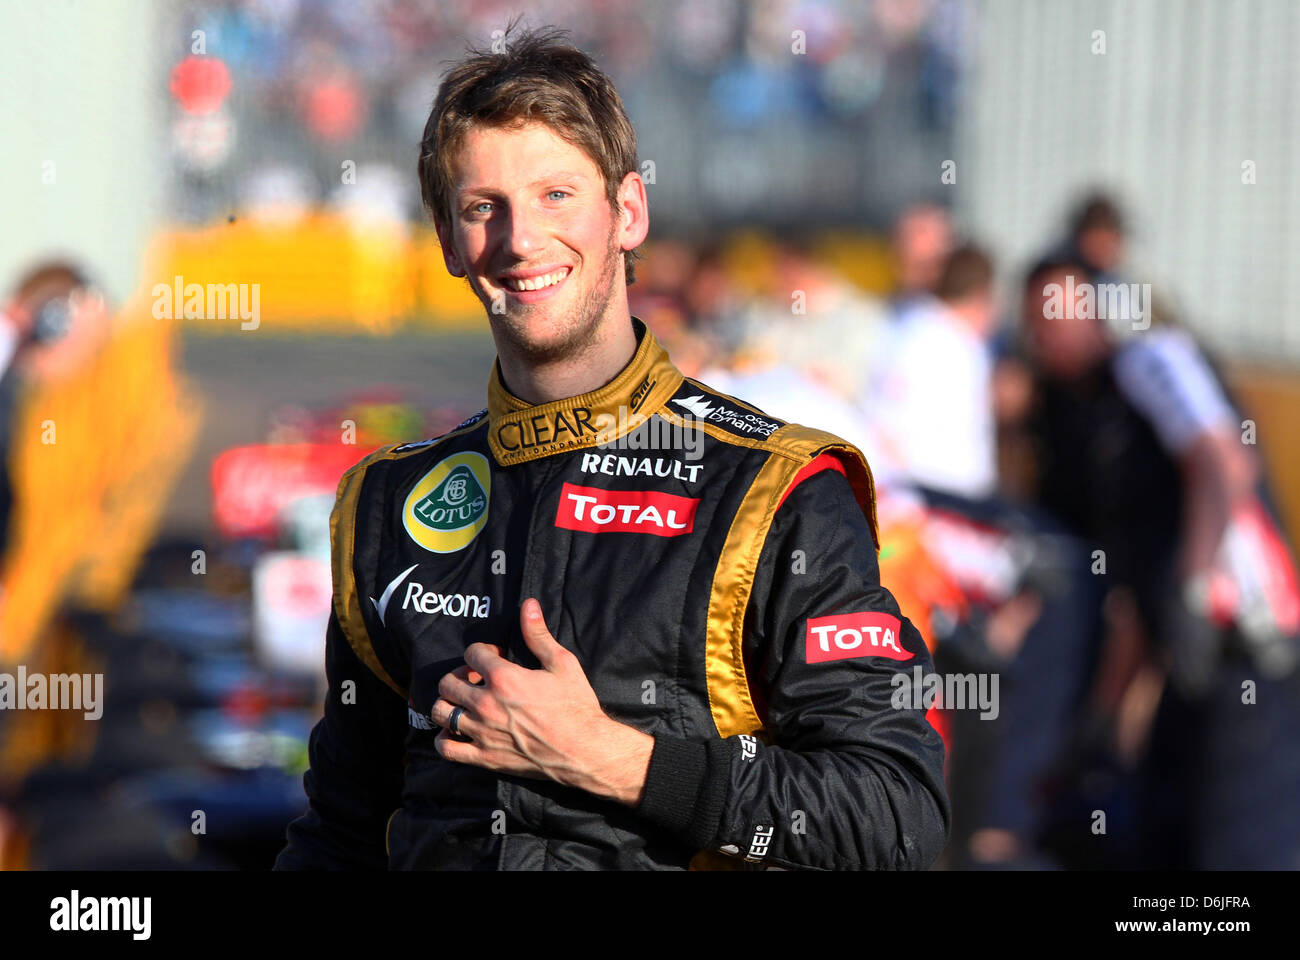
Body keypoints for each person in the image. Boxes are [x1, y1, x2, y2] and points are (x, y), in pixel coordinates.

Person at [275, 25, 949, 871]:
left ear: (627, 212)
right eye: (484, 207)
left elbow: (900, 823)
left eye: (557, 195)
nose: (521, 240)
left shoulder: (775, 491)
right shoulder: (387, 504)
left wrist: (610, 757)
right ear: (448, 242)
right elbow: (340, 831)